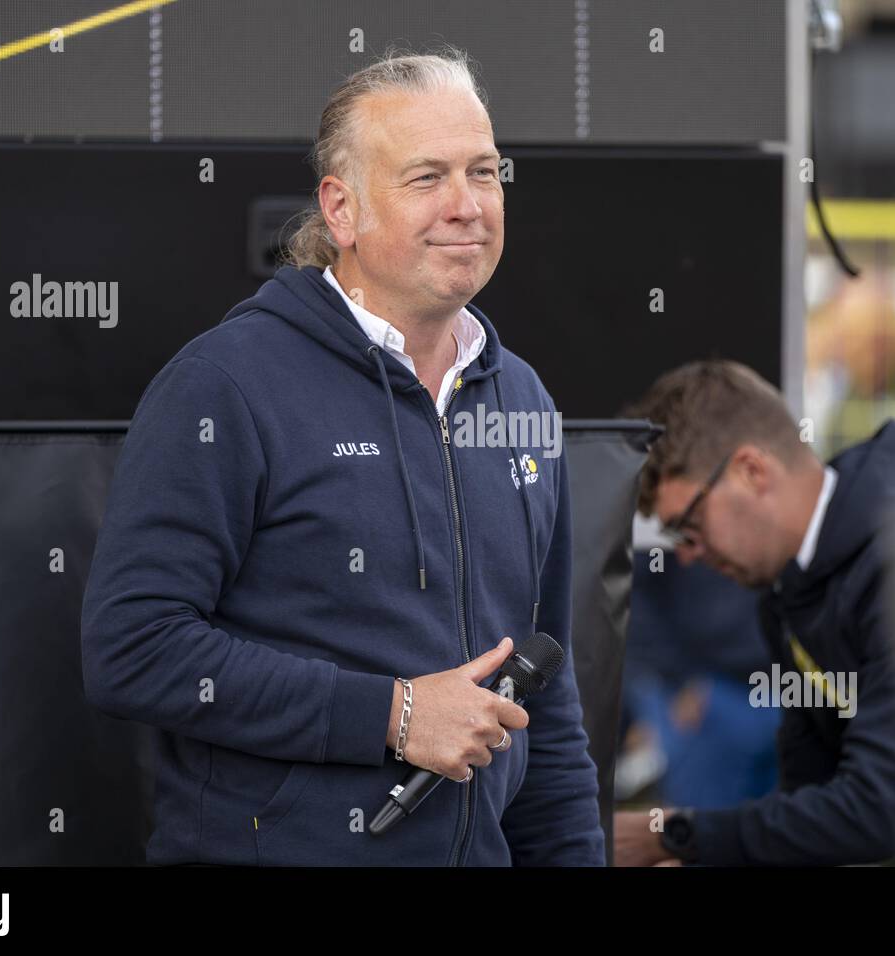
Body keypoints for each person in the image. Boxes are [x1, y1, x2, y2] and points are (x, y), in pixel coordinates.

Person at [80, 49, 604, 866]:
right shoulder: (224, 385)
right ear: (342, 209)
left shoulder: (525, 402)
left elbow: (548, 698)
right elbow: (131, 648)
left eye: (485, 171)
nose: (467, 205)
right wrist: (393, 716)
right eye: (427, 177)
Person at [614, 359, 895, 865]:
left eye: (687, 525)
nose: (686, 554)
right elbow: (810, 812)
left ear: (752, 471)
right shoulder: (791, 595)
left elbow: (871, 812)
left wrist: (671, 836)